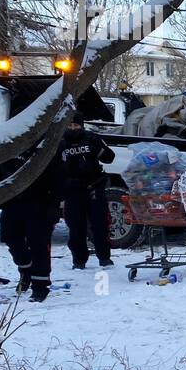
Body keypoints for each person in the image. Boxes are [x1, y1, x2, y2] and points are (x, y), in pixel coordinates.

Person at [0, 147, 63, 303]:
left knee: (38, 245)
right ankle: (26, 270)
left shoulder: (47, 146)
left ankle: (40, 287)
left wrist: (55, 206)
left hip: (40, 205)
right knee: (11, 239)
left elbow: (60, 179)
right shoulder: (8, 146)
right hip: (12, 204)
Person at [59, 110, 117, 270]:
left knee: (100, 225)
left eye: (76, 125)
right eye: (70, 125)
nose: (73, 128)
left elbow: (110, 157)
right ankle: (79, 260)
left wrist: (96, 149)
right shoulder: (60, 141)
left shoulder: (92, 138)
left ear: (82, 125)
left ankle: (104, 258)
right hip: (72, 190)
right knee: (75, 228)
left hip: (94, 187)